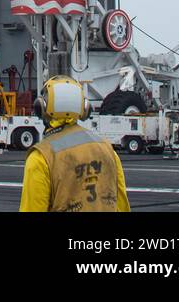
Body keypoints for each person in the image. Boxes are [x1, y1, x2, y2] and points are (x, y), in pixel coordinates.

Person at [19, 77, 130, 213]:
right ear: (84, 109)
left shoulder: (41, 158)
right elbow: (122, 205)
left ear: (41, 108)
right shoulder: (107, 149)